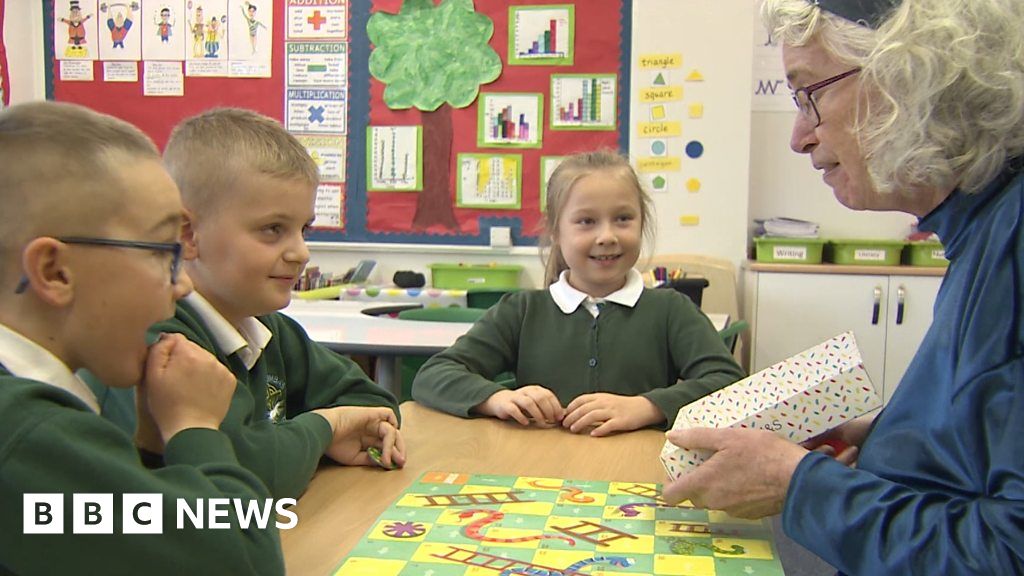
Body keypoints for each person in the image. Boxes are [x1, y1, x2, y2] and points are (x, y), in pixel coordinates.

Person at [663, 1, 1024, 574]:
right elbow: (979, 445)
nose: (799, 137)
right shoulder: (985, 231)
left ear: (915, 75)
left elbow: (1007, 553)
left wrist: (799, 485)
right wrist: (877, 434)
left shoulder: (1012, 246)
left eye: (811, 94)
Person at [0, 101, 287, 572]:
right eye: (161, 253)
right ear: (54, 272)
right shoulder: (23, 431)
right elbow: (243, 560)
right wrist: (195, 428)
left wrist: (152, 450)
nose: (183, 284)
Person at [91, 107, 405, 500]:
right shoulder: (164, 342)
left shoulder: (266, 326)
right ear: (188, 234)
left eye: (303, 229)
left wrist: (329, 434)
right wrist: (330, 425)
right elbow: (255, 475)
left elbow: (373, 401)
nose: (301, 252)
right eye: (273, 230)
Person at [412, 150, 744, 436]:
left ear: (641, 224)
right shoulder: (523, 310)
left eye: (623, 219)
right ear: (556, 231)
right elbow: (434, 376)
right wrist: (497, 399)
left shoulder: (671, 310)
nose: (607, 236)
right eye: (586, 221)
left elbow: (729, 383)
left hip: (635, 477)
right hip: (540, 476)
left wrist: (647, 407)